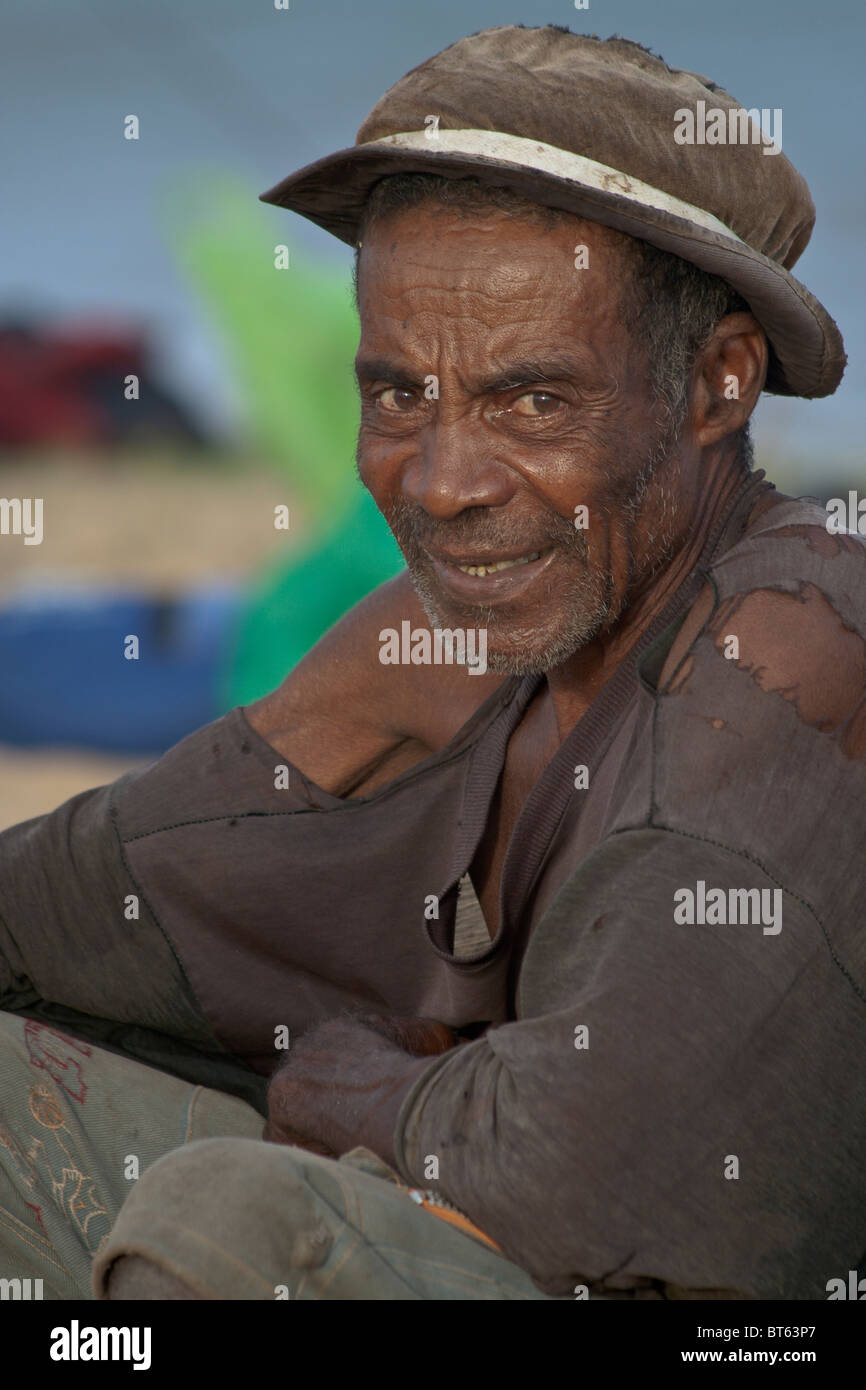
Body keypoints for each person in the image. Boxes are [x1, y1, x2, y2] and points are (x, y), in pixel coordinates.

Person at [1, 26, 863, 1302]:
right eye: (398, 396)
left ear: (715, 383)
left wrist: (349, 1084)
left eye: (532, 401)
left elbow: (597, 1175)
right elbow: (69, 906)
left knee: (240, 1213)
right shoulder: (443, 650)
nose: (444, 482)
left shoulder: (799, 632)